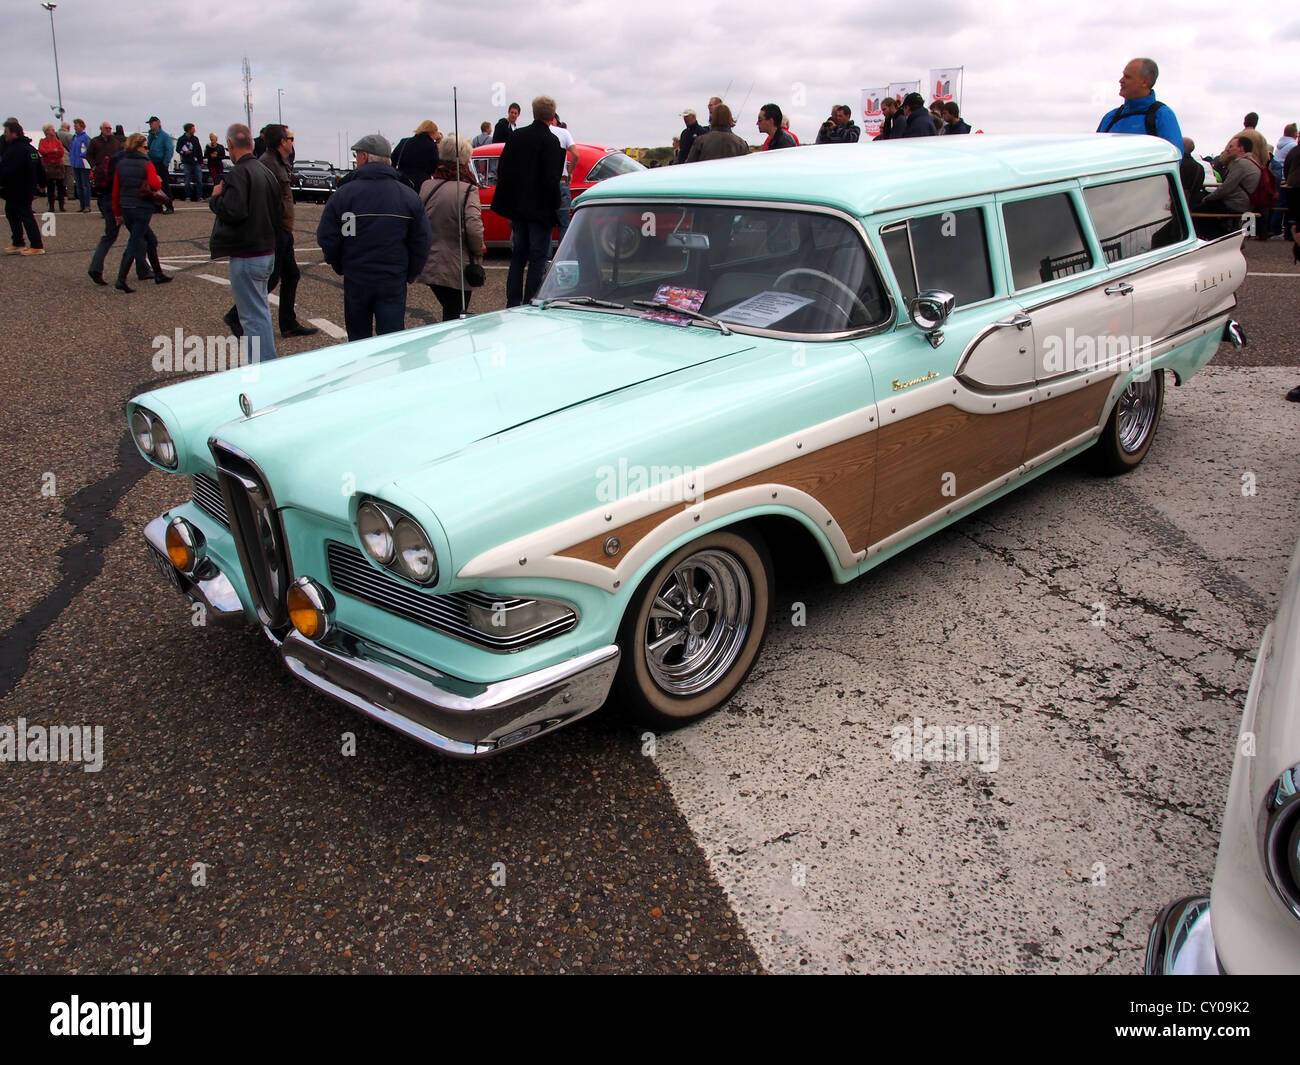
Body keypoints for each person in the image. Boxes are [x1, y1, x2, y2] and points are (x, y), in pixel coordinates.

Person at [317, 133, 432, 340]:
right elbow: (421, 240)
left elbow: (328, 236)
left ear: (365, 157)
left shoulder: (343, 195)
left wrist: (341, 265)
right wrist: (409, 272)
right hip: (392, 279)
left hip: (357, 277)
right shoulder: (408, 195)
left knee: (358, 341)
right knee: (390, 341)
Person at [210, 123, 281, 358]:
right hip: (266, 251)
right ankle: (265, 362)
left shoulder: (239, 173)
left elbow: (234, 211)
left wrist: (216, 198)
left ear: (229, 144)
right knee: (259, 313)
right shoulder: (265, 171)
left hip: (247, 254)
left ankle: (261, 367)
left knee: (251, 317)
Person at [493, 96, 565, 307]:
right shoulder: (551, 142)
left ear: (533, 113)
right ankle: (530, 299)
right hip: (540, 210)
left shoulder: (516, 137)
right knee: (538, 258)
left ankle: (513, 300)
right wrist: (555, 206)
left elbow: (503, 169)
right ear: (552, 116)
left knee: (518, 256)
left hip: (517, 208)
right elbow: (551, 180)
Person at [252, 124, 318, 339]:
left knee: (291, 275)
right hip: (276, 230)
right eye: (290, 138)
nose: (292, 142)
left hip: (282, 228)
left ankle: (288, 324)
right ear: (282, 141)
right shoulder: (268, 164)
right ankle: (237, 315)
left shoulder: (278, 162)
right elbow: (264, 201)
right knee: (273, 278)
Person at [417, 134, 485, 321]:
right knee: (455, 317)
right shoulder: (468, 189)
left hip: (430, 262)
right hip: (458, 266)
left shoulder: (427, 186)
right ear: (464, 159)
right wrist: (478, 251)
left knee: (450, 311)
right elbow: (473, 228)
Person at [111, 132, 170, 291]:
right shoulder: (146, 164)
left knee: (150, 240)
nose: (147, 150)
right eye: (145, 147)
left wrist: (117, 213)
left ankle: (158, 273)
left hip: (126, 206)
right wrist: (158, 179)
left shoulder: (121, 164)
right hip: (141, 207)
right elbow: (155, 185)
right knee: (135, 242)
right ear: (138, 147)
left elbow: (116, 190)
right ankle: (121, 279)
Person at [1096, 57, 1183, 151]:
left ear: (1145, 82)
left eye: (1127, 77)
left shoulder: (1162, 115)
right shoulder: (1110, 117)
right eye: (1123, 76)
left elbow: (1174, 156)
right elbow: (1095, 151)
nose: (1121, 80)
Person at [1194, 136, 1260, 238]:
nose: (1227, 149)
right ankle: (1223, 234)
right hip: (1246, 203)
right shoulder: (1253, 162)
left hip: (1235, 203)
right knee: (1206, 208)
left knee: (1196, 210)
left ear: (1241, 148)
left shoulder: (1241, 163)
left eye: (1231, 146)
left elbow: (1226, 188)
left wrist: (1206, 198)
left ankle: (1219, 237)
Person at [86, 122, 128, 284]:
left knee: (110, 235)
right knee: (139, 234)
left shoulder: (113, 155)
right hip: (118, 200)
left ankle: (95, 267)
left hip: (106, 196)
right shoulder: (122, 158)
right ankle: (142, 269)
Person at [0, 118, 44, 255]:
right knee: (11, 212)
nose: (4, 134)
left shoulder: (17, 150)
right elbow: (39, 167)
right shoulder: (29, 148)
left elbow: (9, 170)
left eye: (6, 132)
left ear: (14, 133)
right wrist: (42, 183)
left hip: (19, 189)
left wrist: (1, 183)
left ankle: (37, 245)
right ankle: (18, 242)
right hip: (19, 189)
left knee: (26, 215)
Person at [549, 112, 580, 242]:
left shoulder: (538, 133)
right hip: (561, 181)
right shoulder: (563, 133)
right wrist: (570, 172)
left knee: (546, 224)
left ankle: (546, 258)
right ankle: (562, 256)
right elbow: (576, 155)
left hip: (545, 183)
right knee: (564, 223)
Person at [685, 103, 750, 161]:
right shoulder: (741, 143)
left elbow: (689, 165)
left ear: (713, 118)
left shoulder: (701, 141)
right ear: (730, 118)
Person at [393, 120, 441, 191]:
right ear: (433, 132)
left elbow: (393, 160)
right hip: (421, 184)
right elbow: (435, 167)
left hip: (401, 182)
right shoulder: (431, 146)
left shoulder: (404, 142)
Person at [146, 116, 175, 213]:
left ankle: (169, 206)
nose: (150, 125)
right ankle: (157, 206)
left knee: (164, 186)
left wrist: (165, 163)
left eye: (152, 123)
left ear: (158, 123)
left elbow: (169, 149)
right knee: (153, 186)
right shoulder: (150, 136)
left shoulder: (165, 136)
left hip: (161, 163)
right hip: (152, 163)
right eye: (149, 123)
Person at [38, 124, 66, 212]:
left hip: (58, 165)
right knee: (50, 187)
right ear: (46, 131)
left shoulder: (58, 141)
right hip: (48, 166)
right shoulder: (42, 141)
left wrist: (49, 153)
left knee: (60, 186)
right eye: (51, 129)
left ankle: (61, 206)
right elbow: (42, 151)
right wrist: (53, 151)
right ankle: (51, 206)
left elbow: (61, 152)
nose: (53, 130)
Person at [176, 122, 203, 202]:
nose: (194, 130)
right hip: (187, 162)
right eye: (193, 128)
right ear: (189, 129)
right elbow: (178, 149)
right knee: (187, 181)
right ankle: (188, 196)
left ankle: (199, 197)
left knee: (199, 180)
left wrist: (200, 161)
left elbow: (199, 150)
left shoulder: (195, 139)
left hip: (196, 163)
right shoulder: (181, 139)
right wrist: (184, 152)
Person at [70, 118, 92, 211]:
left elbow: (89, 149)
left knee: (85, 185)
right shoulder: (74, 137)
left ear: (81, 126)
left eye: (76, 126)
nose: (75, 127)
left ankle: (87, 205)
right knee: (79, 186)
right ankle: (82, 205)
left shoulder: (85, 138)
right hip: (75, 164)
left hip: (84, 164)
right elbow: (71, 149)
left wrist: (81, 155)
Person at [1180, 137, 1204, 207]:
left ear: (1181, 146)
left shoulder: (1177, 164)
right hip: (1190, 206)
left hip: (1173, 206)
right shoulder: (1200, 168)